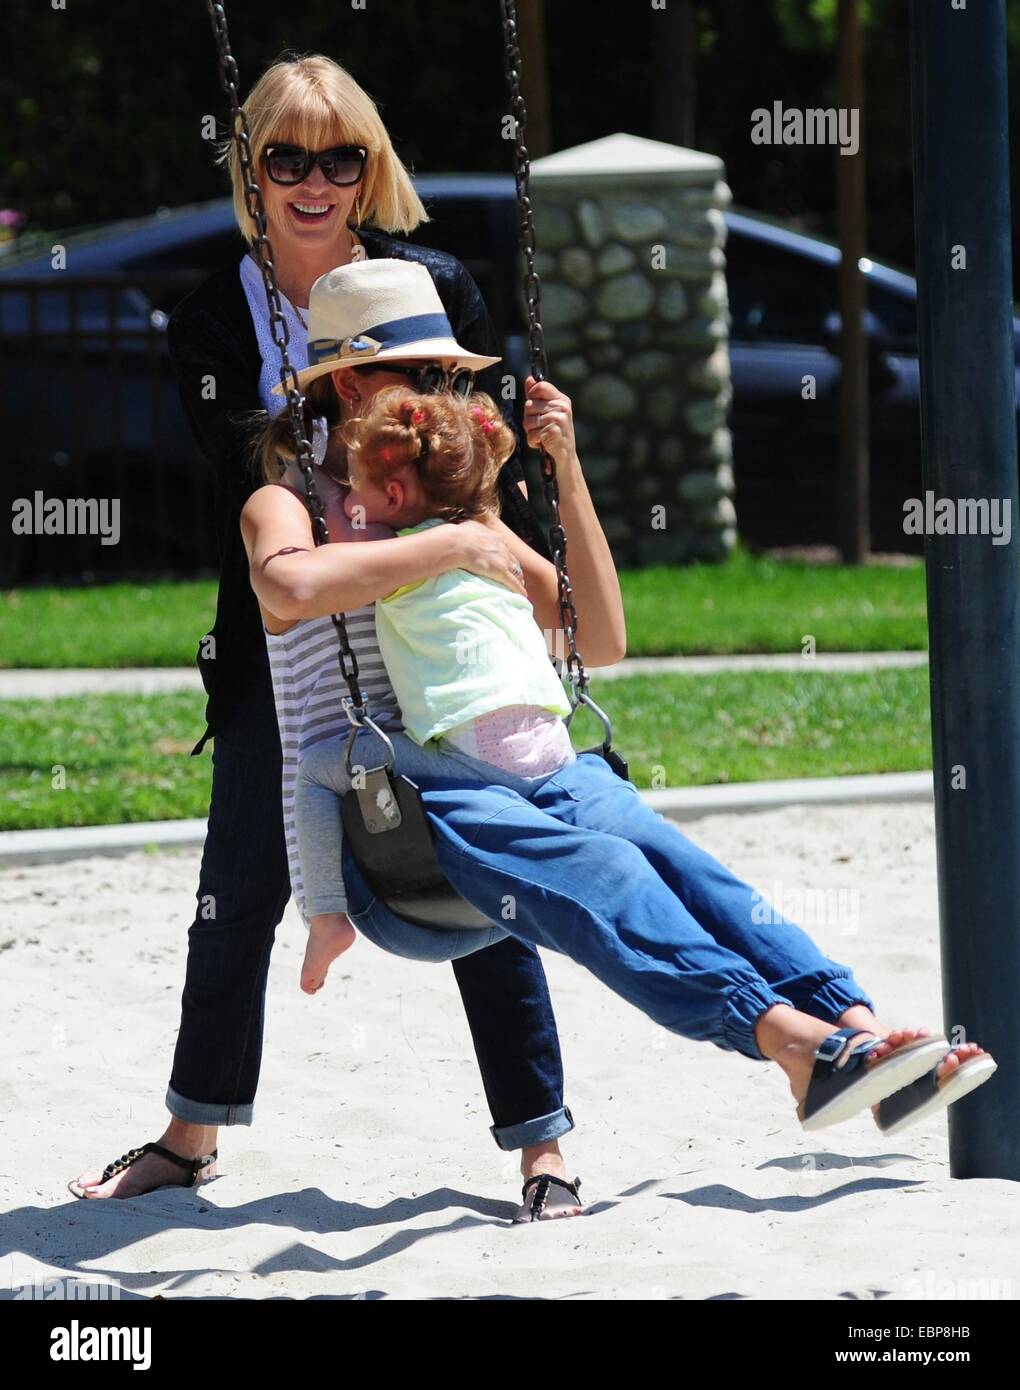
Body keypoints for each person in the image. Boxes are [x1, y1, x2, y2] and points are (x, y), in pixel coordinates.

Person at [246, 268, 997, 1140]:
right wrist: (450, 542)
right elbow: (289, 587)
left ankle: (864, 1041)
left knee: (681, 864)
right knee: (614, 876)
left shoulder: (473, 510)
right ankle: (797, 1048)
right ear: (350, 385)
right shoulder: (292, 502)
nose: (450, 394)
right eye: (430, 376)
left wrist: (561, 470)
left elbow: (595, 638)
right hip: (408, 812)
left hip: (540, 769)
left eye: (456, 377)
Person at [70, 52, 614, 1221]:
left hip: (437, 623)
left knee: (480, 866)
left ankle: (539, 1143)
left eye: (339, 158)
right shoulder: (216, 318)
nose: (312, 181)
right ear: (251, 173)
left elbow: (473, 463)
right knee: (238, 881)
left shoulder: (435, 285)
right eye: (286, 158)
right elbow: (253, 477)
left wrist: (530, 466)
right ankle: (190, 1131)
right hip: (290, 626)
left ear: (370, 172)